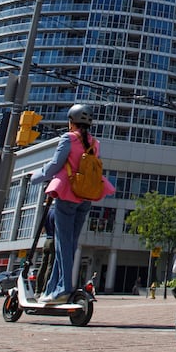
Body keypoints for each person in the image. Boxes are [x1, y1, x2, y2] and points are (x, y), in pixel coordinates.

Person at [31, 104, 115, 303]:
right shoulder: (95, 143)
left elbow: (55, 165)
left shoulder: (68, 139)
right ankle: (52, 288)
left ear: (71, 121)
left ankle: (63, 288)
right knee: (69, 243)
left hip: (68, 194)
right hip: (86, 197)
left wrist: (35, 176)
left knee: (63, 243)